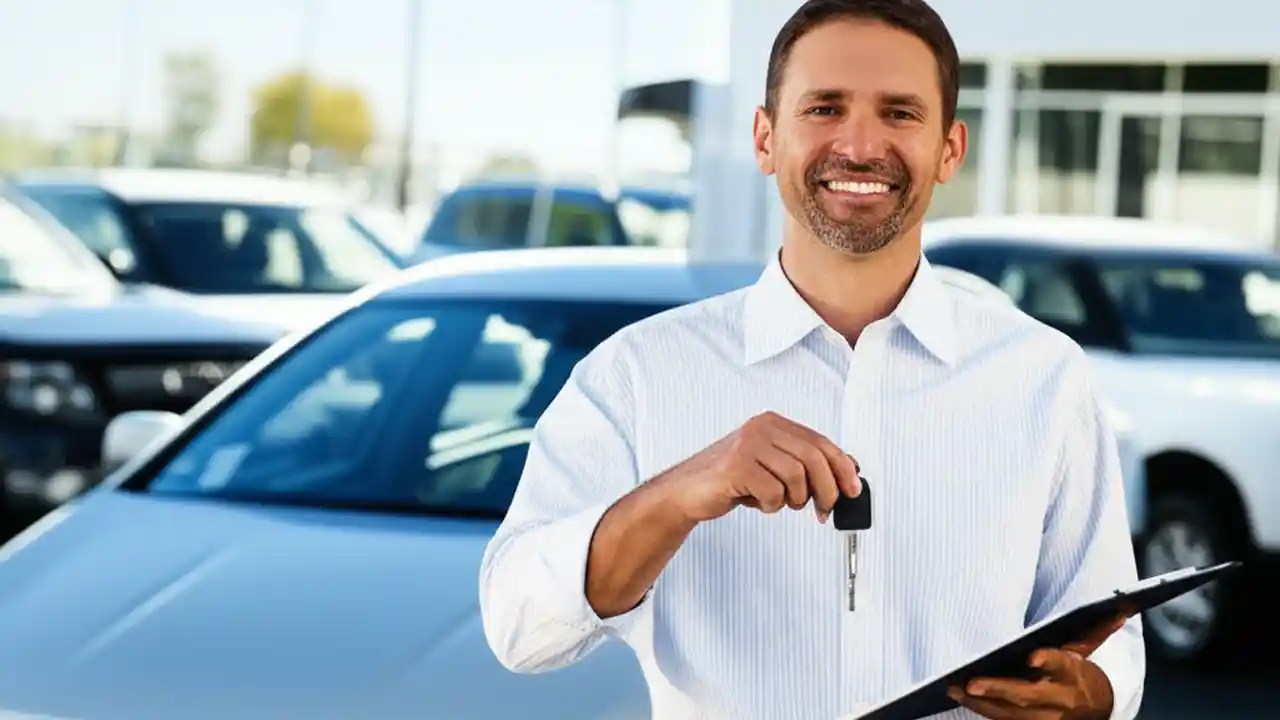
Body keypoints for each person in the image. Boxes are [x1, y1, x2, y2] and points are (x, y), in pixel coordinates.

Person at [478, 0, 1146, 718]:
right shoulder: (636, 374)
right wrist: (678, 493)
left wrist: (1096, 695)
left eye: (899, 113)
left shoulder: (1044, 376)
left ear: (950, 149)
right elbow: (519, 627)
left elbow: (1108, 630)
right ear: (765, 138)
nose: (860, 146)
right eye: (824, 108)